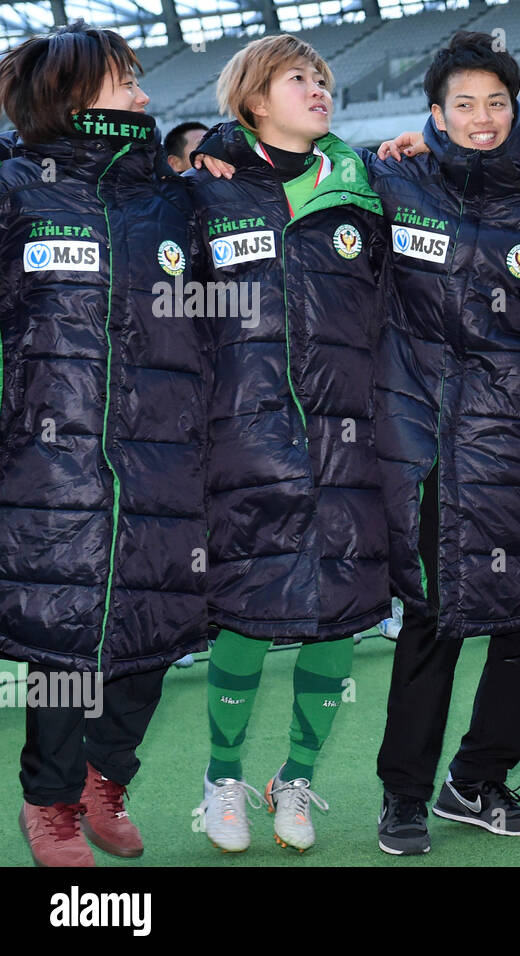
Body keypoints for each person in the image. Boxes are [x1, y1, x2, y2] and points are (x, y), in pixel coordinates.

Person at [363, 31, 520, 851]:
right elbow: (287, 172)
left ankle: (478, 781)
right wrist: (220, 146)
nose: (483, 117)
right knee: (434, 616)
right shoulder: (388, 176)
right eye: (463, 103)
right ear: (433, 112)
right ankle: (404, 794)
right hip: (424, 441)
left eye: (497, 101)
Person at [0, 21, 207, 866]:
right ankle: (48, 805)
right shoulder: (15, 186)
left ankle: (104, 779)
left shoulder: (169, 193)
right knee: (63, 636)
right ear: (77, 91)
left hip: (163, 450)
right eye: (128, 80)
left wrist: (223, 155)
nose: (146, 96)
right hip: (53, 457)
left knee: (153, 624)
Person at [187, 34, 390, 854]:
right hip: (243, 441)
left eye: (323, 77)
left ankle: (295, 777)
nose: (319, 88)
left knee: (336, 613)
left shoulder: (366, 192)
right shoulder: (204, 195)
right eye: (297, 78)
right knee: (242, 611)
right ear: (252, 100)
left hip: (348, 442)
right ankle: (221, 780)